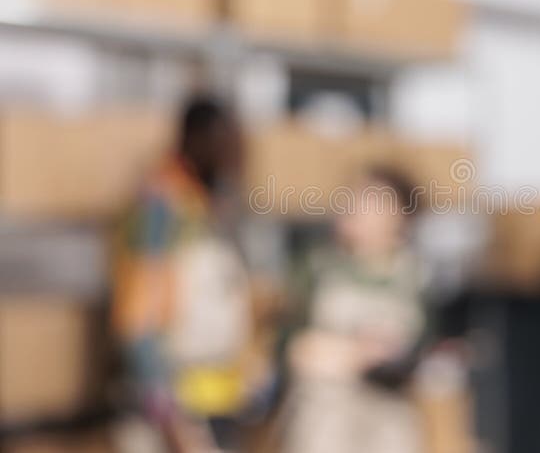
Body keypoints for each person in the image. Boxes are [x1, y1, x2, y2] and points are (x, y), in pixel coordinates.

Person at [112, 94, 251, 452]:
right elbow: (137, 315)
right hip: (174, 412)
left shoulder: (203, 202)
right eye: (226, 144)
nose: (235, 157)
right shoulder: (160, 204)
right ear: (198, 141)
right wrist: (164, 407)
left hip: (212, 403)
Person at [283, 166, 429, 453]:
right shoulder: (318, 268)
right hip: (325, 423)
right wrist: (355, 352)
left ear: (400, 215)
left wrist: (395, 356)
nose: (355, 207)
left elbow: (427, 351)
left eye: (372, 200)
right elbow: (288, 345)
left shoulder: (415, 278)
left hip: (388, 426)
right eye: (354, 197)